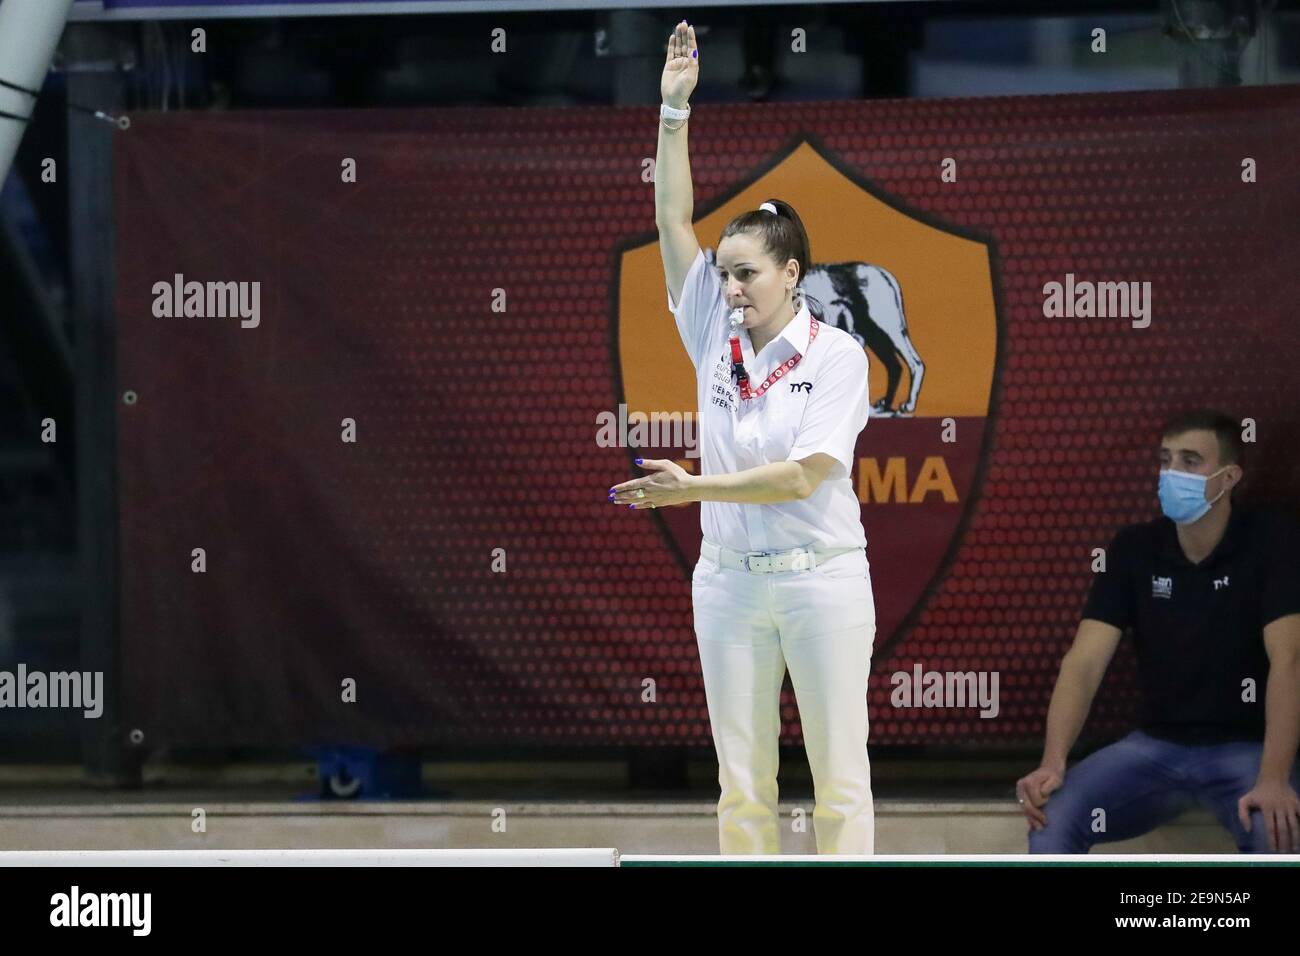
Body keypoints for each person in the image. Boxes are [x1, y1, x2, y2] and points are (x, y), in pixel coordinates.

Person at [608, 20, 877, 854]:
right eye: (722, 273)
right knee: (741, 790)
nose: (727, 287)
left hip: (821, 583)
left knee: (838, 786)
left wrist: (690, 490)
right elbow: (671, 217)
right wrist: (672, 111)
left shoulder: (840, 358)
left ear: (792, 275)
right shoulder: (710, 331)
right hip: (726, 585)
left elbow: (801, 478)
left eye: (746, 273)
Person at [1017, 409, 1300, 853]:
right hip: (1155, 749)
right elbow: (1084, 664)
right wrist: (1052, 762)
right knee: (1051, 819)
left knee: (1276, 829)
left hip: (1245, 751)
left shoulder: (1271, 542)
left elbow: (1290, 661)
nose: (1172, 474)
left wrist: (1274, 778)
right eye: (1166, 460)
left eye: (1190, 462)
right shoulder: (1135, 548)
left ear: (1229, 477)